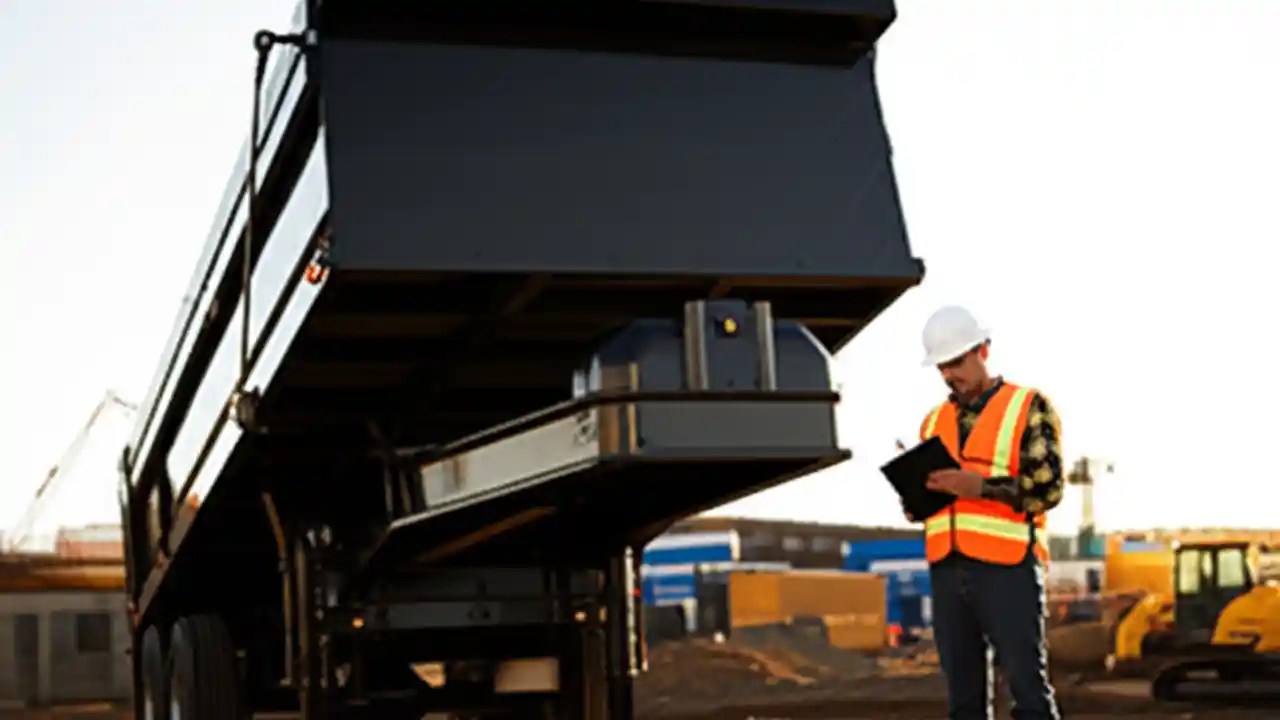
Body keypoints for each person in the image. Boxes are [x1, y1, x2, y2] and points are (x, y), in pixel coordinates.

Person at [908, 305, 1064, 720]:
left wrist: (980, 488)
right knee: (963, 704)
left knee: (1029, 694)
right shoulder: (932, 422)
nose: (949, 374)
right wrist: (917, 500)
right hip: (946, 571)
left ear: (984, 351)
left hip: (1007, 569)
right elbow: (931, 505)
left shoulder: (1027, 407)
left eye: (957, 362)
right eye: (942, 366)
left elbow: (1047, 488)